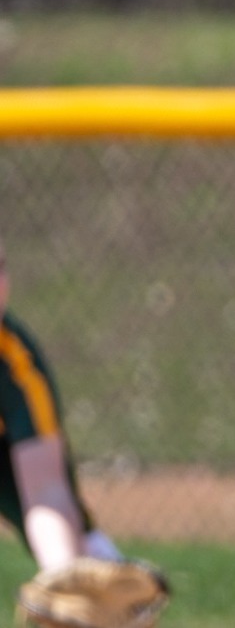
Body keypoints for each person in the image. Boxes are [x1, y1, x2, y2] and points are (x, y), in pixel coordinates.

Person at [0, 233, 128, 576]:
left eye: (0, 268)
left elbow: (46, 492)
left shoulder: (16, 365)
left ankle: (102, 580)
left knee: (81, 558)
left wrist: (65, 579)